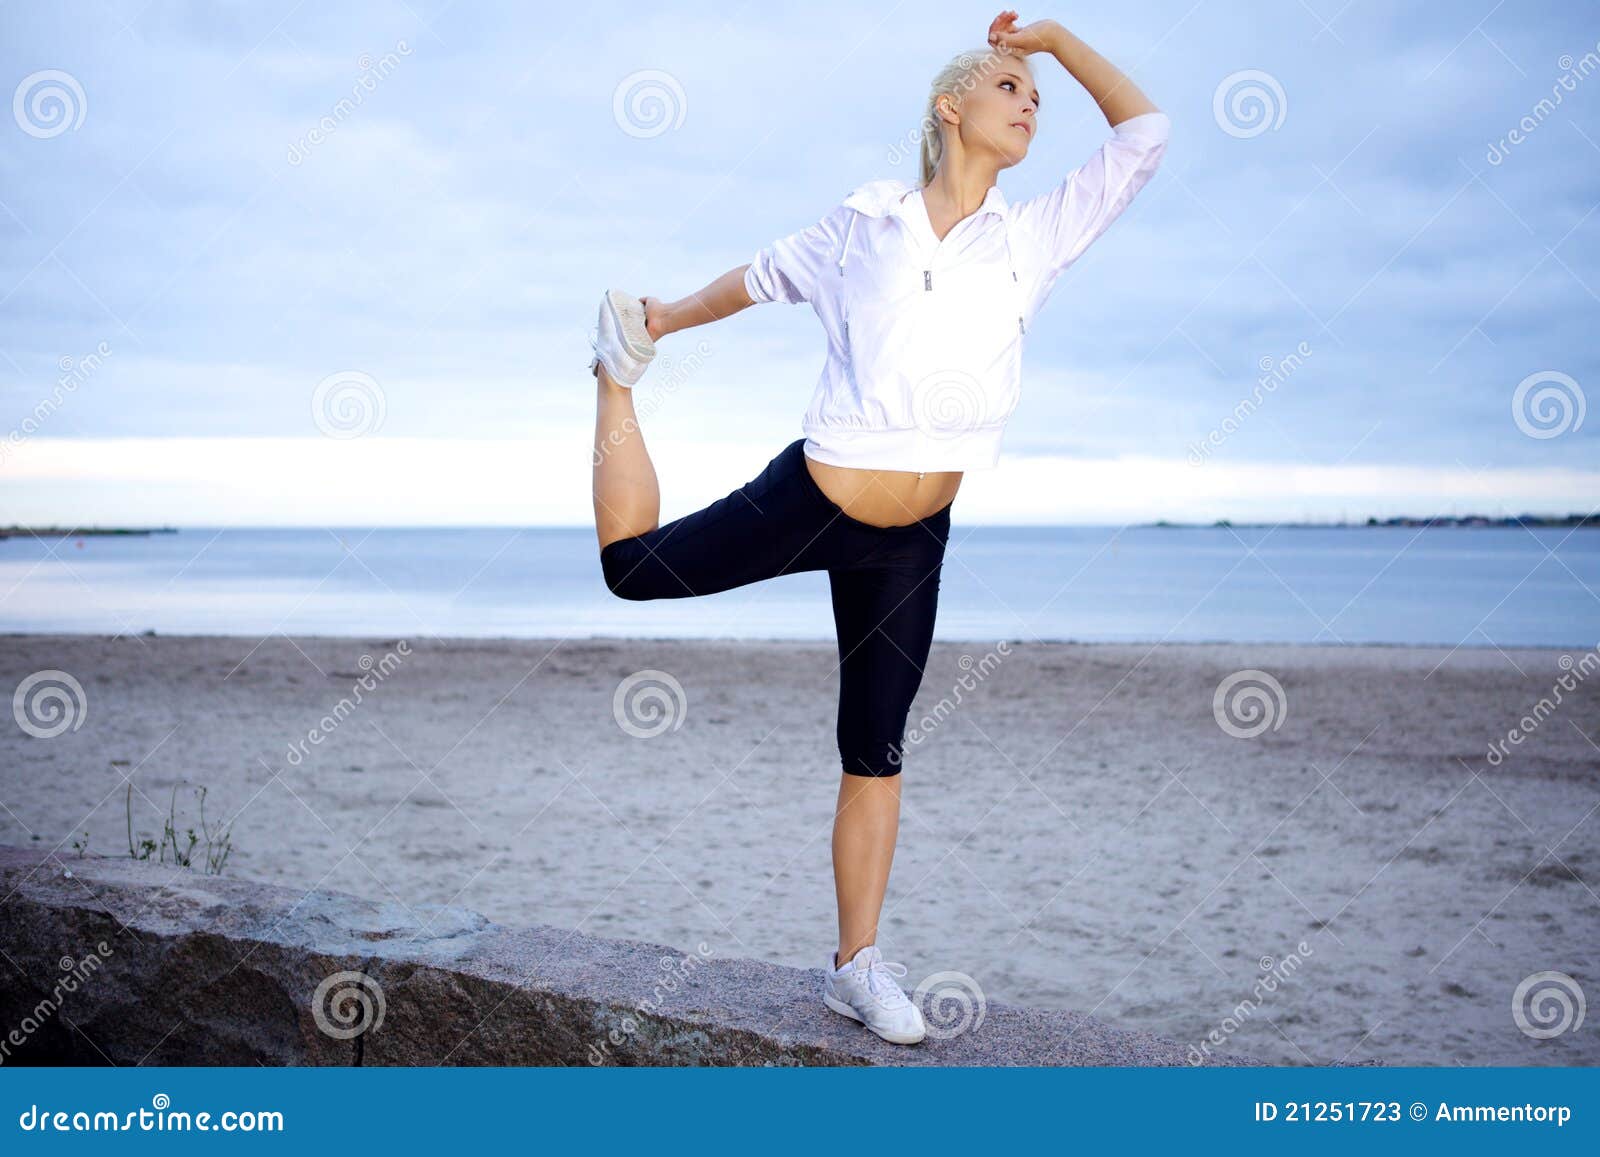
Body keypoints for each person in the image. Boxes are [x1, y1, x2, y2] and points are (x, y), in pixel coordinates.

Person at [587, 10, 1169, 1045]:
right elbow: (755, 280)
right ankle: (612, 380)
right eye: (1007, 88)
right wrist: (660, 323)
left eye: (1033, 96)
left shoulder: (1034, 238)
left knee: (875, 749)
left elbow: (1143, 135)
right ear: (949, 108)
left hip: (912, 536)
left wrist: (1051, 40)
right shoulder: (863, 225)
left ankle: (854, 965)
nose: (1028, 103)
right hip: (813, 494)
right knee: (633, 571)